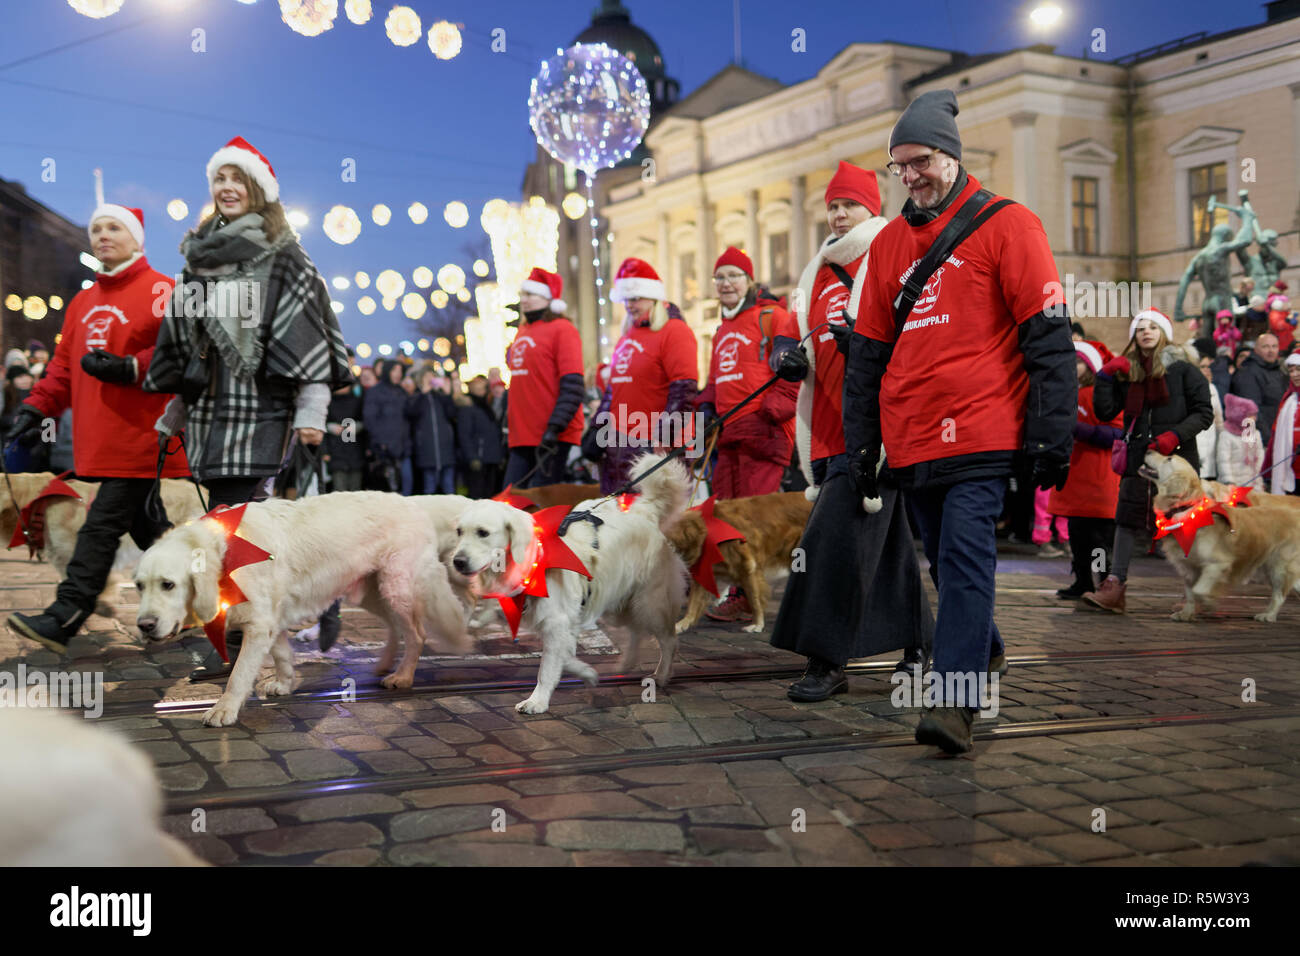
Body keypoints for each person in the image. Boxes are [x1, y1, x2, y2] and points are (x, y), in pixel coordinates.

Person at [844, 89, 1077, 753]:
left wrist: (1048, 435)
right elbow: (868, 355)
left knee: (966, 560)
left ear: (949, 156)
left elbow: (1047, 337)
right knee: (944, 568)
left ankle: (955, 704)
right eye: (899, 166)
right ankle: (985, 648)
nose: (910, 175)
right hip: (913, 438)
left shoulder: (1010, 225)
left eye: (919, 160)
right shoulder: (888, 244)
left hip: (982, 430)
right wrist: (863, 444)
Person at [143, 136, 351, 678]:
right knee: (234, 530)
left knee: (231, 533)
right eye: (220, 179)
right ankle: (309, 603)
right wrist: (174, 413)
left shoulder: (284, 254)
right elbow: (186, 347)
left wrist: (312, 413)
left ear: (258, 190)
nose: (227, 188)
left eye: (239, 179)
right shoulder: (196, 258)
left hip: (262, 415)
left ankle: (236, 645)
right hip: (211, 420)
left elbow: (311, 344)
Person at [766, 160, 932, 699]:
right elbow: (795, 334)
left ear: (871, 208)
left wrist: (863, 337)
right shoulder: (816, 270)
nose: (838, 215)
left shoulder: (894, 251)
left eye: (848, 205)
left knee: (827, 542)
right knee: (889, 546)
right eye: (832, 206)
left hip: (879, 433)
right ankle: (920, 642)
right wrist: (788, 358)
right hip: (832, 427)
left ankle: (826, 659)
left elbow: (918, 331)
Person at [6, 203, 189, 650]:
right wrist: (35, 408)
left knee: (100, 525)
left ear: (137, 238)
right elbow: (63, 369)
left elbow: (182, 356)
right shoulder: (83, 301)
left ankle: (65, 615)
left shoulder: (164, 289)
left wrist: (130, 367)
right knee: (156, 533)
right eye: (97, 229)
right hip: (102, 440)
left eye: (114, 228)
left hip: (148, 435)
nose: (103, 235)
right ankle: (215, 598)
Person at [1083, 309, 1213, 613]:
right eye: (1140, 328)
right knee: (1126, 521)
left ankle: (1194, 592)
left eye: (1153, 327)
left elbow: (1204, 413)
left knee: (1183, 523)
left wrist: (1174, 436)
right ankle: (1114, 587)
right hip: (1138, 459)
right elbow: (1105, 412)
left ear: (1164, 332)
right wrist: (1104, 377)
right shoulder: (1128, 372)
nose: (1146, 332)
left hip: (1177, 461)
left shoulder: (1183, 369)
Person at [695, 247, 798, 623]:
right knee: (725, 516)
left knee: (755, 519)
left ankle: (749, 596)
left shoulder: (773, 317)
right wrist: (706, 408)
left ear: (749, 281)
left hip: (763, 433)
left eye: (733, 276)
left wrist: (773, 410)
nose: (725, 284)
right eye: (719, 277)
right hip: (728, 437)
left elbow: (793, 372)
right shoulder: (720, 330)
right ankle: (740, 591)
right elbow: (713, 383)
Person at [584, 257, 698, 494]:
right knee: (619, 516)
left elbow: (684, 390)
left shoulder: (674, 331)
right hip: (618, 443)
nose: (629, 305)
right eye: (626, 299)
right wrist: (597, 429)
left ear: (653, 297)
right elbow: (613, 390)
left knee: (653, 520)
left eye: (636, 298)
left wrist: (666, 438)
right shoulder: (627, 337)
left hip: (652, 443)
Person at [1050, 342, 1121, 599]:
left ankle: (1103, 582)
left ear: (1090, 366)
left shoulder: (1100, 394)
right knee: (1077, 537)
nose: (1073, 367)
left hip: (1097, 478)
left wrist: (1082, 430)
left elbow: (1117, 433)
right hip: (1075, 476)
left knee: (1099, 543)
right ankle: (1082, 581)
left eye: (1078, 362)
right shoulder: (1067, 393)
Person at [503, 268, 584, 488]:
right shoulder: (522, 331)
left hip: (551, 436)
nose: (524, 300)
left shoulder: (562, 329)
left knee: (539, 510)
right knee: (510, 503)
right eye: (522, 294)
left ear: (548, 298)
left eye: (530, 295)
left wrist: (555, 427)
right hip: (522, 435)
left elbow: (573, 386)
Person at [364, 358, 414, 494]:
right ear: (387, 371)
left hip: (403, 448)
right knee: (387, 489)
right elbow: (369, 420)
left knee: (406, 484)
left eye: (400, 371)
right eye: (394, 370)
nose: (398, 374)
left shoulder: (402, 392)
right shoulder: (375, 392)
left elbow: (410, 416)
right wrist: (381, 443)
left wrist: (412, 394)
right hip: (383, 451)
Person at [1230, 330, 1287, 447]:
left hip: (1279, 436)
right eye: (1265, 347)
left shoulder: (1277, 370)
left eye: (1274, 346)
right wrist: (1268, 440)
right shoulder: (1249, 373)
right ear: (1256, 350)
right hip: (1263, 441)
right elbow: (1252, 410)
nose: (1271, 351)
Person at [408, 368, 459, 494]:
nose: (431, 380)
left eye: (433, 377)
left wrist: (447, 394)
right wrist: (423, 393)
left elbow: (452, 413)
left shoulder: (441, 397)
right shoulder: (416, 396)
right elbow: (411, 413)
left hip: (445, 448)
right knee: (429, 487)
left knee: (449, 487)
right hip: (427, 449)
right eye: (427, 377)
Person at [458, 374, 504, 498]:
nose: (482, 390)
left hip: (491, 458)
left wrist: (499, 456)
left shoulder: (487, 407)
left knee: (490, 492)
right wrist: (472, 457)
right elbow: (464, 435)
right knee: (477, 493)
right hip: (479, 458)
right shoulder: (468, 408)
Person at [324, 366, 365, 491]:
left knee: (356, 491)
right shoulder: (327, 402)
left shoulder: (358, 401)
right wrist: (329, 428)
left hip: (355, 451)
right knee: (339, 491)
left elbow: (366, 422)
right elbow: (321, 427)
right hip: (335, 452)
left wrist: (356, 427)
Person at [1266, 353, 1300, 495]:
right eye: (1291, 371)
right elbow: (1276, 436)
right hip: (1292, 468)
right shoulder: (1288, 401)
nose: (1294, 374)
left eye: (1298, 369)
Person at [1216, 393, 1264, 489]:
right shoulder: (1226, 436)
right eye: (1250, 416)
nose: (1254, 419)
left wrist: (1258, 476)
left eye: (1254, 415)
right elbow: (1223, 460)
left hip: (1253, 483)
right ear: (1239, 416)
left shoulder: (1255, 434)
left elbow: (1260, 454)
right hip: (1234, 485)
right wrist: (1229, 481)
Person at [1193, 346, 1223, 480]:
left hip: (1211, 451)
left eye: (1208, 366)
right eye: (1203, 367)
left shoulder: (1213, 389)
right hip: (1195, 449)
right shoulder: (1186, 390)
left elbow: (1219, 421)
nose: (1207, 370)